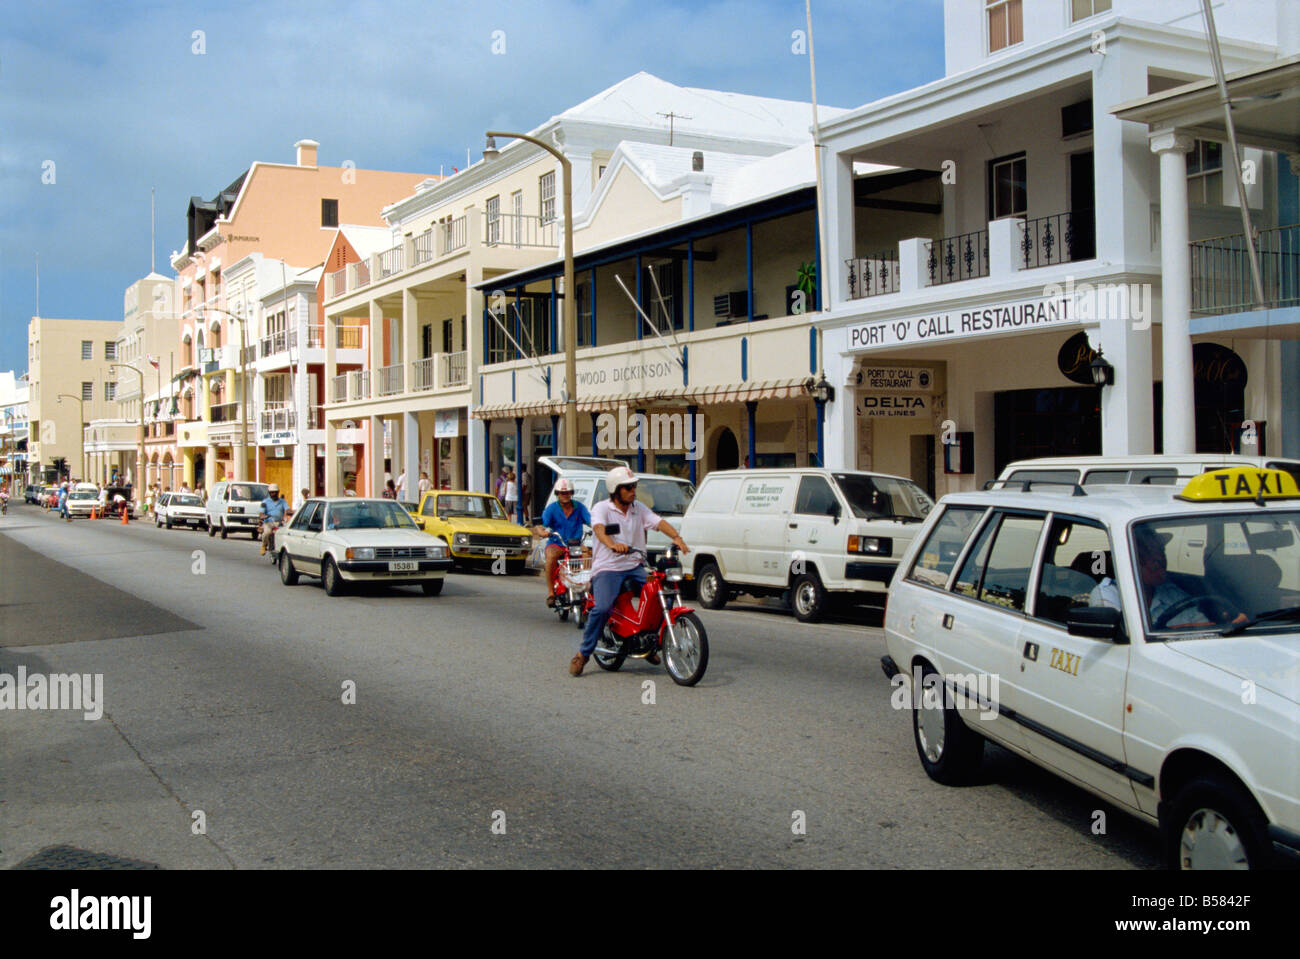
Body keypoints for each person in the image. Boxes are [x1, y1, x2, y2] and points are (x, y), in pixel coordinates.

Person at [571, 466, 689, 676]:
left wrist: (676, 537)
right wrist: (611, 544)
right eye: (627, 488)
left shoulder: (639, 508)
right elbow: (599, 530)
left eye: (633, 487)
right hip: (608, 567)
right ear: (616, 490)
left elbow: (659, 522)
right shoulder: (602, 508)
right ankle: (583, 654)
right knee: (603, 607)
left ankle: (649, 642)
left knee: (662, 594)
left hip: (635, 566)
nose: (633, 491)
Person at [1090, 524, 1245, 629]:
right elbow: (1121, 642)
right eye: (1148, 556)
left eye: (1161, 553)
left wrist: (1227, 625)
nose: (1159, 561)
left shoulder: (1172, 594)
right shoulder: (1108, 596)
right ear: (1128, 560)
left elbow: (1201, 626)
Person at [531, 478, 592, 608]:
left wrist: (599, 529)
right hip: (557, 543)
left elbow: (591, 521)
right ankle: (551, 592)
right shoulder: (552, 509)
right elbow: (542, 524)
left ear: (572, 493)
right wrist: (541, 531)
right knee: (551, 558)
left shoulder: (579, 507)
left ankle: (587, 588)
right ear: (557, 494)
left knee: (588, 555)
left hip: (575, 544)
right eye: (562, 493)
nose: (565, 495)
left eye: (568, 492)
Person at [258, 483, 289, 555]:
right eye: (272, 492)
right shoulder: (265, 502)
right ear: (269, 493)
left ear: (278, 492)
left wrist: (294, 512)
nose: (273, 494)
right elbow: (261, 513)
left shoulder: (282, 501)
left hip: (279, 522)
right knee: (267, 533)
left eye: (275, 492)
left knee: (284, 534)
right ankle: (264, 544)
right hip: (268, 522)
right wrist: (264, 516)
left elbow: (287, 510)